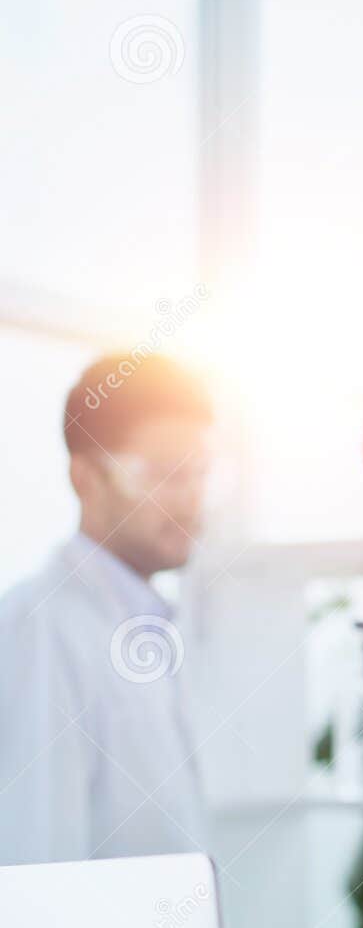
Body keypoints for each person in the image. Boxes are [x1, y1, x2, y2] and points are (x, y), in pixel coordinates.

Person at [0, 352, 214, 866]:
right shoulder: (41, 627)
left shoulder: (147, 621)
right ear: (86, 478)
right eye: (163, 474)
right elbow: (36, 863)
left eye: (199, 473)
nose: (188, 499)